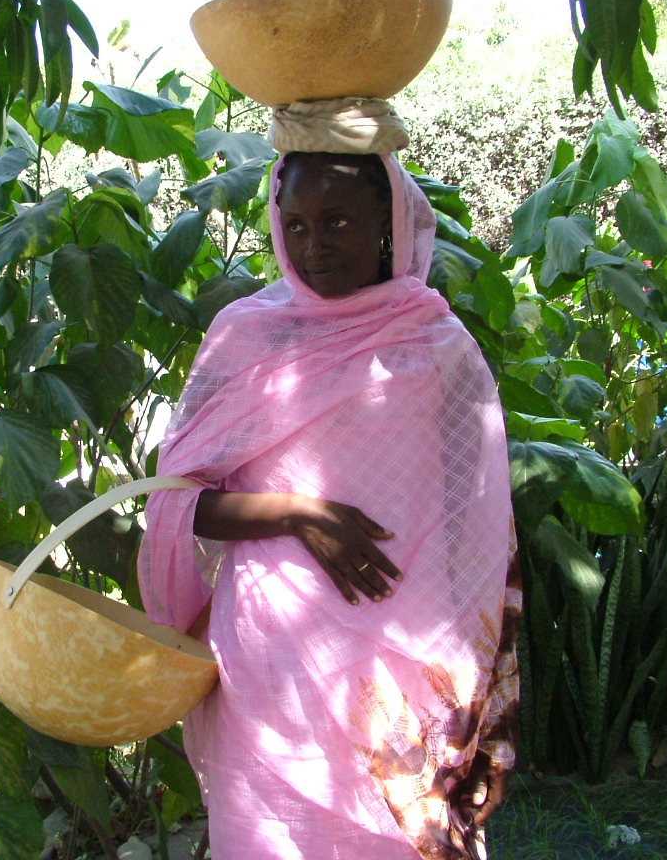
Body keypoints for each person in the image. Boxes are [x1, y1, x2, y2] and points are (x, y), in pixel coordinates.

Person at [138, 100, 519, 860]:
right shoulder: (247, 337)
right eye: (298, 224)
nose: (314, 246)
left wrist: (470, 686)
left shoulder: (438, 345)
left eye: (339, 221)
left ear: (389, 218)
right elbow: (180, 507)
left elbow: (475, 529)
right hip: (271, 664)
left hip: (407, 666)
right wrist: (299, 514)